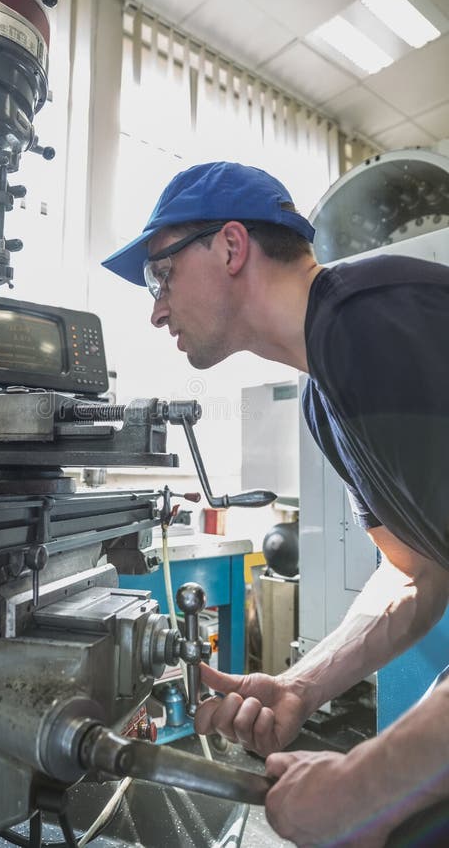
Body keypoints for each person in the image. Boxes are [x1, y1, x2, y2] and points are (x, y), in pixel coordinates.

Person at [101, 161, 449, 847]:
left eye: (159, 274)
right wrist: (301, 685)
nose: (156, 308)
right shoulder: (326, 394)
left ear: (231, 247)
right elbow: (418, 574)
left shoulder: (377, 323)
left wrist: (361, 785)